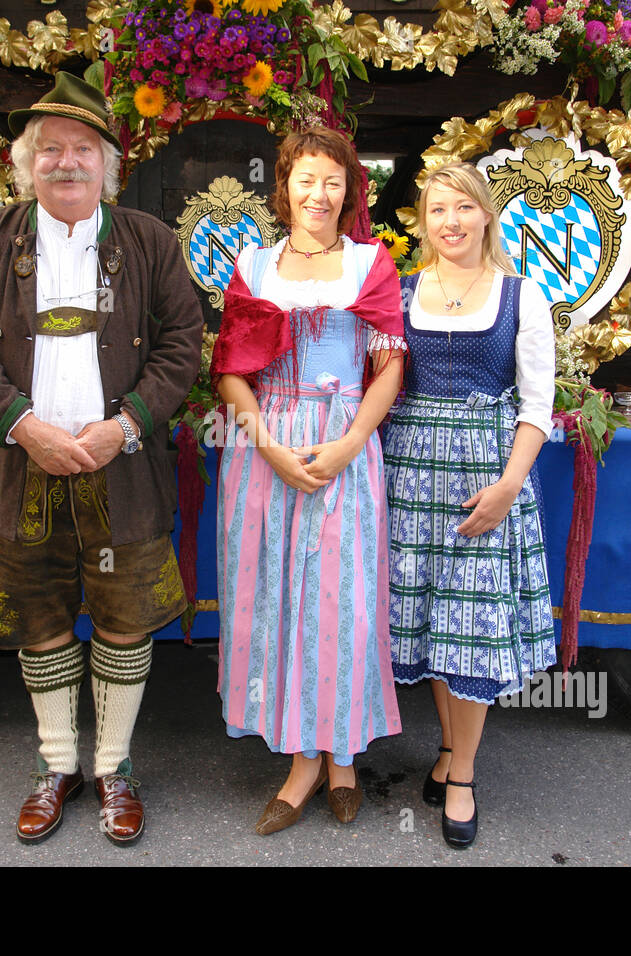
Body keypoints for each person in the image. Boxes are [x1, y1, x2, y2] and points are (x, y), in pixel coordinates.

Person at [0, 73, 203, 847]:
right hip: (24, 465)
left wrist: (126, 426)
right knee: (39, 617)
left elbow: (183, 345)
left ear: (107, 165)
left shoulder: (149, 241)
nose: (65, 163)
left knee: (125, 622)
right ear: (26, 164)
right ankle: (57, 765)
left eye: (82, 149)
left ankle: (113, 767)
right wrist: (23, 426)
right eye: (48, 149)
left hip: (123, 467)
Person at [212, 126, 405, 835]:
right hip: (266, 445)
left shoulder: (370, 263)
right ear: (284, 187)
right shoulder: (256, 265)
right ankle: (301, 759)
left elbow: (389, 368)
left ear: (349, 190)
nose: (319, 194)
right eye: (306, 180)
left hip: (344, 443)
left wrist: (352, 441)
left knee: (339, 601)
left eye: (333, 182)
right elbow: (231, 370)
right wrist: (267, 446)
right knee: (277, 600)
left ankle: (345, 753)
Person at [385, 162, 556, 849]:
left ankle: (463, 774)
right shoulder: (400, 291)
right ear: (423, 223)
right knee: (432, 624)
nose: (450, 221)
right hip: (410, 476)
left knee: (474, 627)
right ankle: (451, 752)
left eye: (462, 208)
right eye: (437, 210)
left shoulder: (522, 295)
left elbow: (537, 403)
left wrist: (510, 486)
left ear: (486, 215)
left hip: (486, 475)